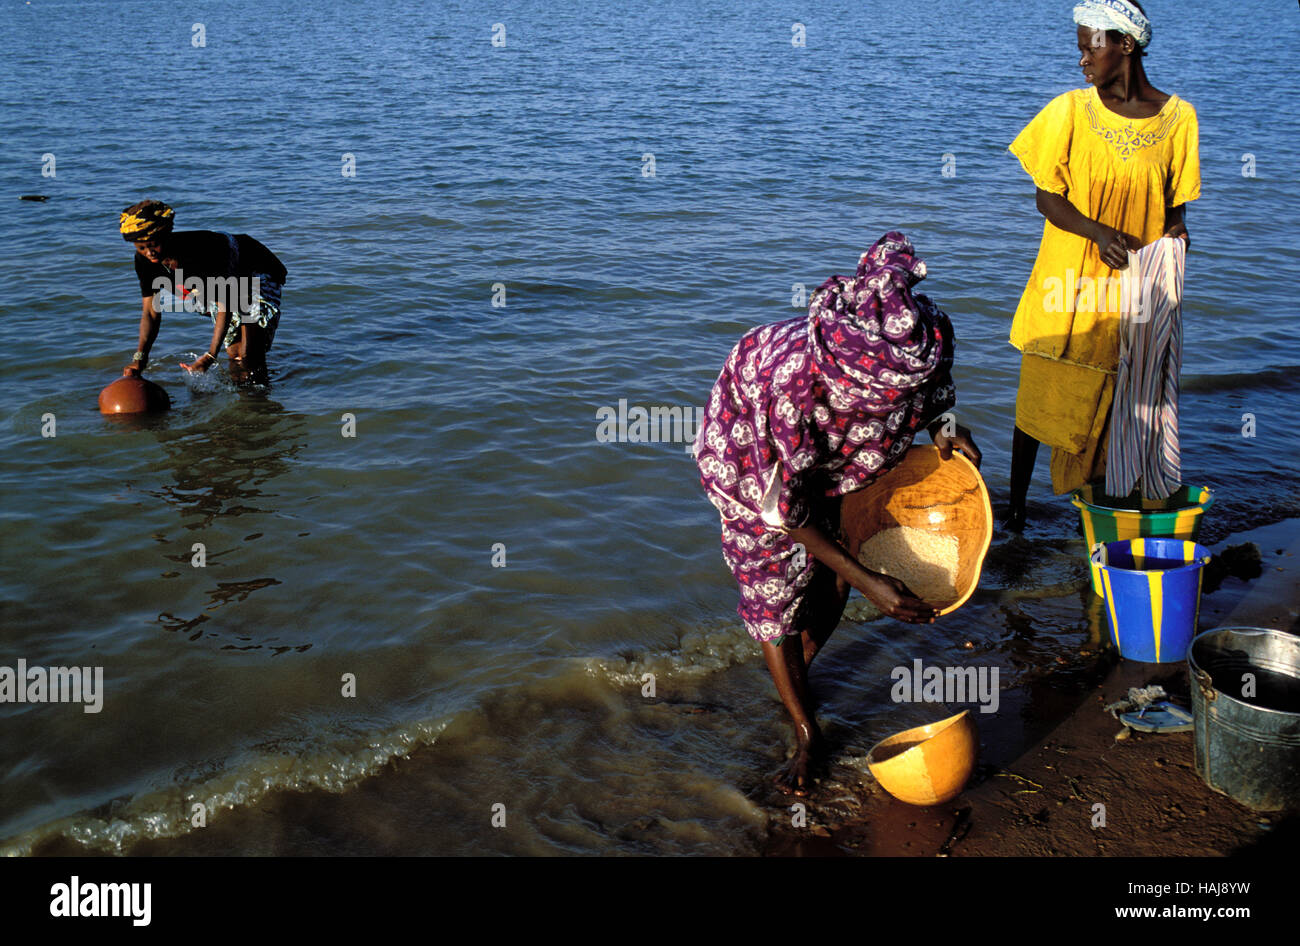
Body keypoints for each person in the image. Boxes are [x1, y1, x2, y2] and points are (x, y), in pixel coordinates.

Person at [695, 232, 981, 795]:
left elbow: (933, 400)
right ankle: (805, 732)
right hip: (753, 465)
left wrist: (946, 429)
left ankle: (793, 671)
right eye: (890, 399)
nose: (902, 405)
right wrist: (872, 579)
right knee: (775, 597)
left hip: (835, 461)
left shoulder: (916, 342)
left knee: (833, 583)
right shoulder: (793, 389)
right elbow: (788, 512)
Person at [1004, 0, 1198, 530]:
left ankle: (1095, 519)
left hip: (1130, 293)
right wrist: (1096, 232)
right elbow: (1047, 199)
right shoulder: (1068, 110)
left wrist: (1177, 240)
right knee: (1040, 394)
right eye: (1080, 47)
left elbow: (1173, 210)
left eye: (1092, 45)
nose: (1083, 59)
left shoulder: (1179, 119)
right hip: (1065, 280)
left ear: (1126, 46)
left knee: (1113, 404)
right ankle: (1017, 513)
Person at [119, 199, 288, 384]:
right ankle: (243, 400)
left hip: (253, 270)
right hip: (218, 287)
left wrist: (210, 355)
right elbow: (151, 312)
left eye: (153, 245)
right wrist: (140, 358)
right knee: (234, 354)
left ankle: (261, 403)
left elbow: (226, 302)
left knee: (249, 355)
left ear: (167, 235)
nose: (149, 253)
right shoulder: (145, 262)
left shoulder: (198, 251)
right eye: (141, 248)